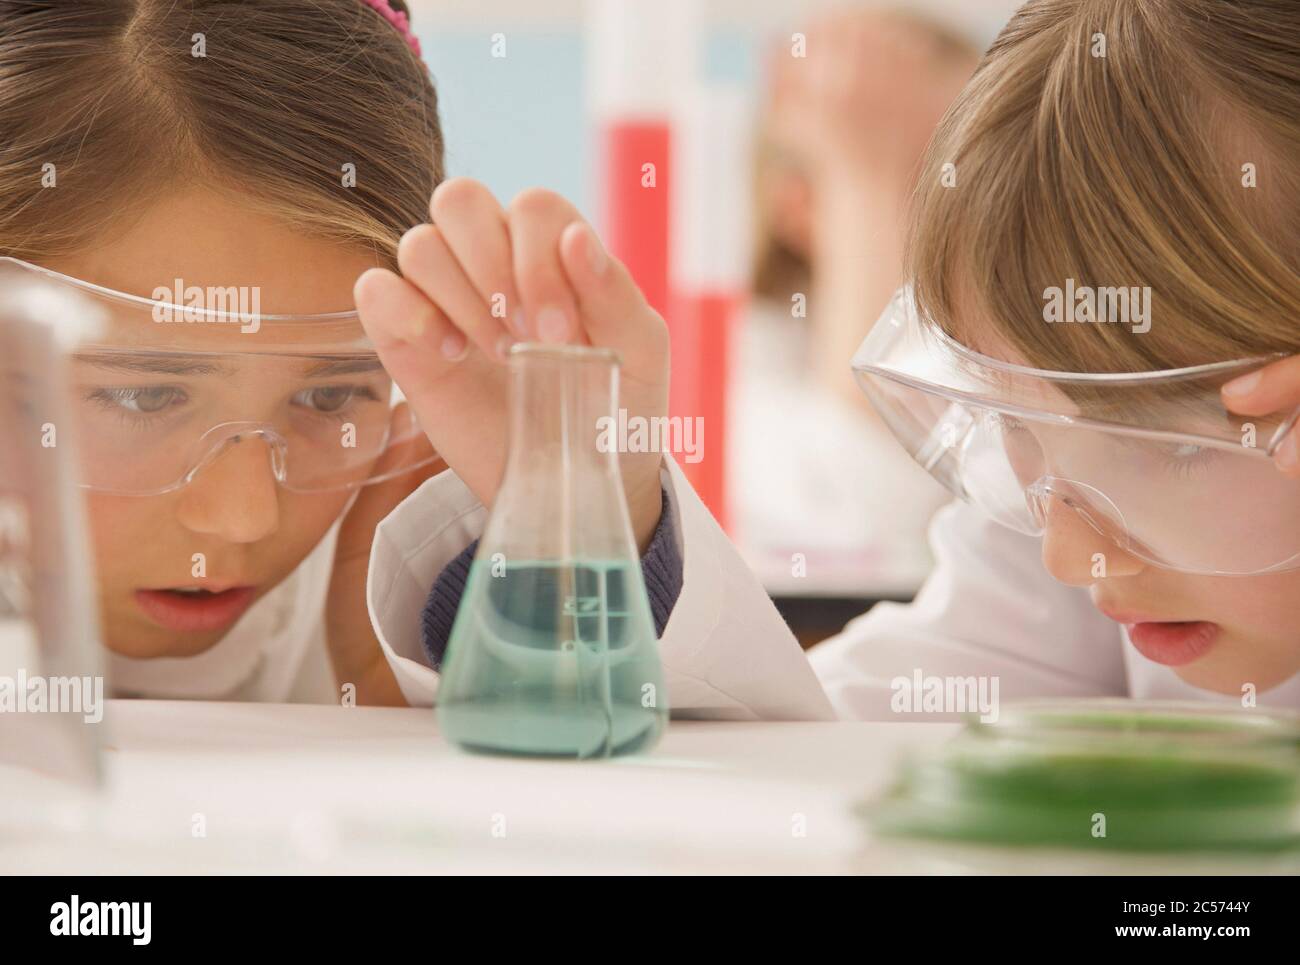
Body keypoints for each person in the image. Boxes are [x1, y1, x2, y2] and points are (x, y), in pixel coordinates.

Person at [366, 0, 1300, 719]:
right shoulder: (1057, 552)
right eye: (1022, 433)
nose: (1066, 552)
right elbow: (820, 744)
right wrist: (597, 534)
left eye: (1159, 449)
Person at [0, 0, 825, 712]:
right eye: (145, 396)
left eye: (329, 398)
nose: (244, 516)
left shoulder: (422, 579)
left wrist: (601, 537)